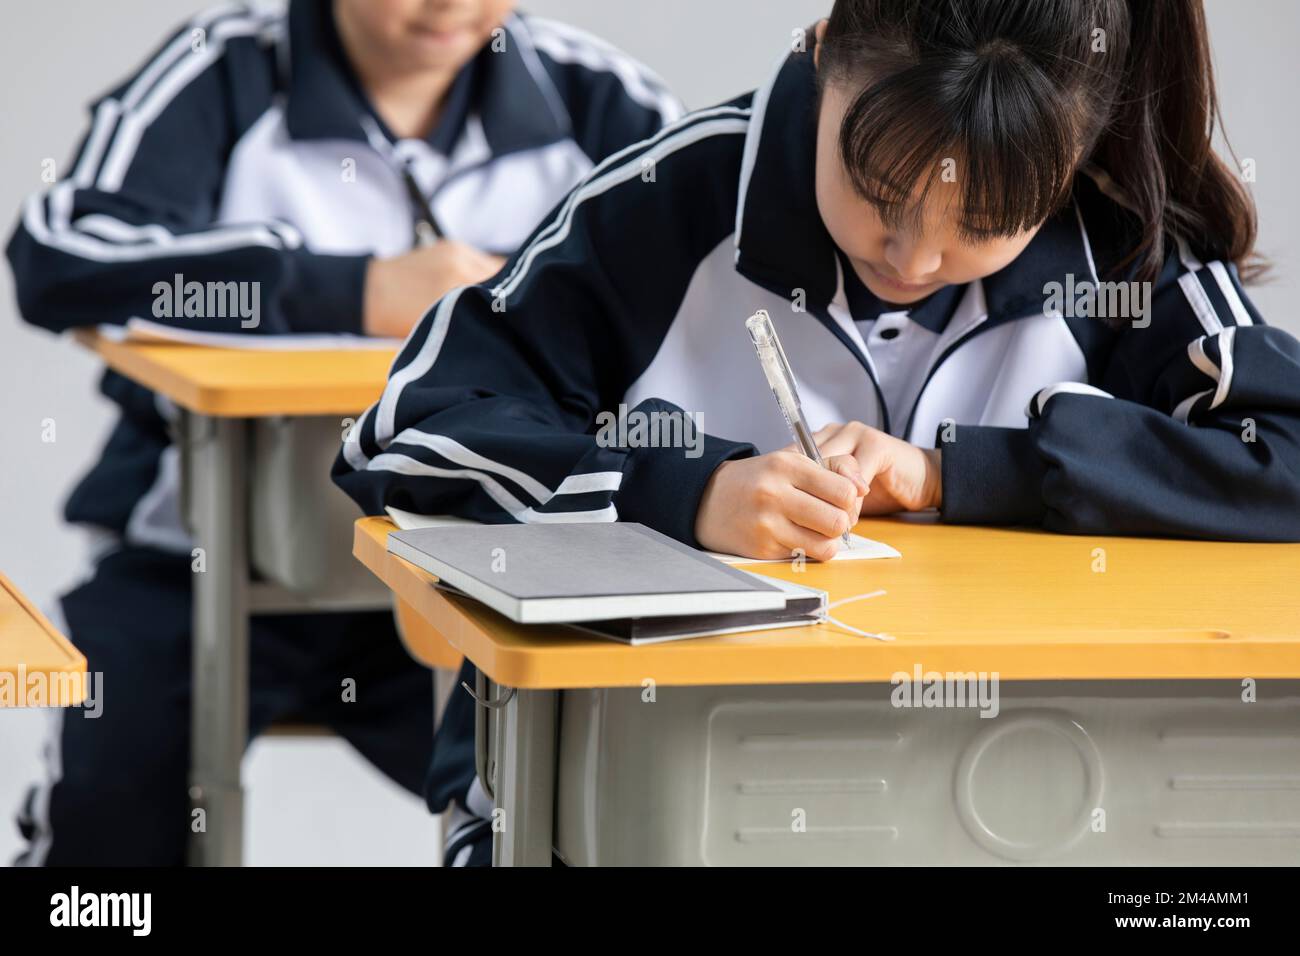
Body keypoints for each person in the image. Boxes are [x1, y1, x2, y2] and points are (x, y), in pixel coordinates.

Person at [333, 0, 1300, 863]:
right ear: (828, 49)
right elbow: (405, 428)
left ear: (1076, 153)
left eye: (991, 218)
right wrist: (683, 494)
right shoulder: (673, 200)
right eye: (880, 192)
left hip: (978, 793)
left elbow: (1284, 454)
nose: (915, 256)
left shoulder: (1119, 244)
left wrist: (959, 475)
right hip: (614, 784)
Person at [7, 0, 680, 866]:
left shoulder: (596, 94)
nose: (455, 7)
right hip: (195, 563)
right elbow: (59, 254)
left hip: (482, 572)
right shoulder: (225, 66)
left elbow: (710, 286)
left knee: (589, 800)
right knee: (112, 811)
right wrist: (353, 291)